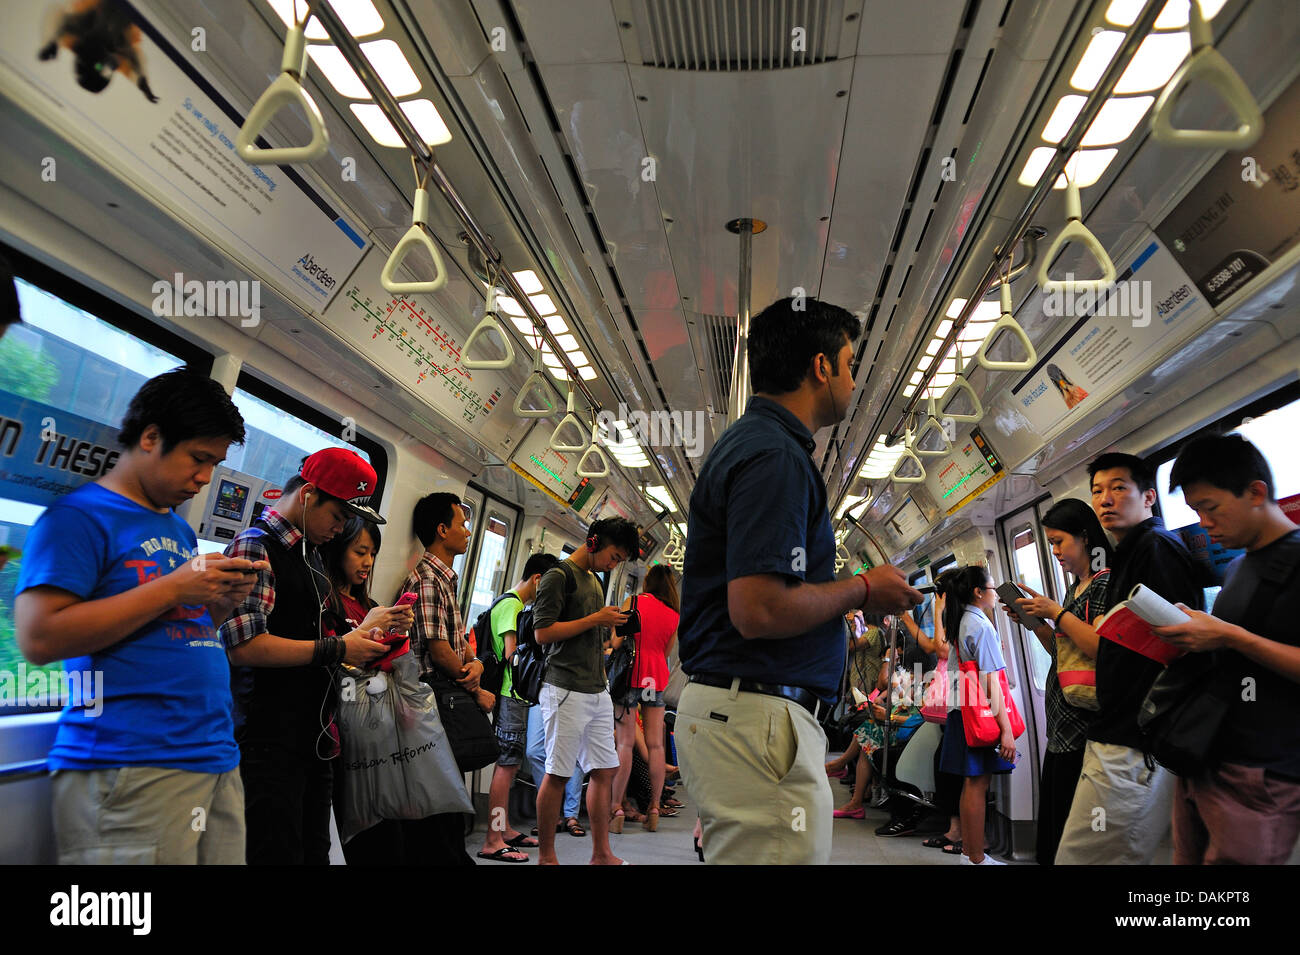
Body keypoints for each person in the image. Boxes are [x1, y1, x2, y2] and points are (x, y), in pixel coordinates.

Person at [676, 295, 923, 865]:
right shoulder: (776, 457)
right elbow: (759, 608)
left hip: (747, 717)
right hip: (758, 722)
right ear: (821, 366)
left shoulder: (755, 445)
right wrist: (864, 590)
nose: (855, 381)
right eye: (851, 364)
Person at [15, 368, 259, 864]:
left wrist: (217, 605)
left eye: (214, 463)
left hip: (212, 754)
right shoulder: (79, 519)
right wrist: (174, 587)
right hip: (131, 761)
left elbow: (175, 629)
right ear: (151, 437)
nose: (206, 478)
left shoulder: (178, 530)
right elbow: (39, 638)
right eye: (199, 458)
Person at [221, 447, 400, 865]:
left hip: (317, 737)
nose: (340, 529)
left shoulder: (314, 557)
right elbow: (245, 646)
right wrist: (340, 647)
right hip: (268, 738)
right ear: (307, 495)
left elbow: (321, 637)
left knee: (313, 851)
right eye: (337, 516)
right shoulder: (256, 547)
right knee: (275, 851)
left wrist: (365, 631)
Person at [1153, 433, 1300, 864]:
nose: (1203, 523)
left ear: (1256, 492)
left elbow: (1241, 643)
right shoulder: (1237, 568)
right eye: (1197, 511)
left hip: (1262, 774)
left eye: (1210, 508)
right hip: (1204, 758)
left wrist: (1228, 636)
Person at [1054, 452, 1205, 865]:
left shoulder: (1155, 550)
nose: (1105, 499)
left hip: (1133, 742)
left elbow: (1176, 645)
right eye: (1098, 491)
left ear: (1149, 497)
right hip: (1119, 735)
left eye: (1119, 488)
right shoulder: (1131, 553)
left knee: (1088, 858)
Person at [1000, 499, 1112, 866]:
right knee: (1053, 830)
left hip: (1084, 728)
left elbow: (1102, 649)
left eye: (1060, 542)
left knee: (1070, 834)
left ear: (1085, 537)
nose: (1057, 551)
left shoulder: (1102, 583)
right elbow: (1063, 653)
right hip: (1062, 727)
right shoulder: (1075, 587)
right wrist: (1036, 622)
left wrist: (1057, 613)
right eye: (1051, 544)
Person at [532, 517, 639, 866]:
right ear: (593, 542)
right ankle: (547, 856)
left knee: (604, 770)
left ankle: (600, 853)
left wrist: (609, 626)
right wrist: (595, 620)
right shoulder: (558, 576)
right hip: (565, 688)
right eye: (614, 555)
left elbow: (586, 632)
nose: (613, 564)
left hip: (597, 688)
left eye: (620, 560)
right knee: (559, 773)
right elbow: (543, 633)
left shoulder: (594, 579)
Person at [320, 516, 417, 865]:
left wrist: (395, 632)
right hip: (343, 732)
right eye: (360, 551)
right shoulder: (326, 603)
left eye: (372, 553)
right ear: (337, 549)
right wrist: (367, 630)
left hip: (376, 732)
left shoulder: (370, 605)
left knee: (386, 831)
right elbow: (332, 659)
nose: (368, 562)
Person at [397, 491, 484, 865]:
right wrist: (476, 686)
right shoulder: (428, 580)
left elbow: (461, 643)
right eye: (462, 524)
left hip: (443, 695)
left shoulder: (444, 579)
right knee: (440, 792)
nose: (467, 531)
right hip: (431, 699)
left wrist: (476, 664)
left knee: (448, 789)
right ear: (442, 529)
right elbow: (440, 651)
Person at [477, 552, 560, 863]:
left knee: (509, 765)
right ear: (538, 579)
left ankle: (505, 828)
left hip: (513, 695)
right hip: (511, 694)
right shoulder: (511, 606)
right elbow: (513, 655)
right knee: (507, 764)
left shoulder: (508, 603)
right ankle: (493, 839)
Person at [936, 565, 1017, 865]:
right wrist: (1006, 730)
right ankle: (977, 859)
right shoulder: (980, 626)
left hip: (962, 709)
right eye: (992, 588)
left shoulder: (960, 619)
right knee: (978, 785)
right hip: (980, 712)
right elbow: (990, 681)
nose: (995, 593)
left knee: (970, 783)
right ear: (978, 592)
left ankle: (971, 855)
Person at [610, 564, 681, 832]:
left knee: (626, 744)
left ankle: (616, 808)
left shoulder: (635, 601)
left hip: (632, 673)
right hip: (655, 677)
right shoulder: (673, 614)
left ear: (648, 582)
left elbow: (617, 643)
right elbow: (665, 651)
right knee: (655, 745)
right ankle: (653, 807)